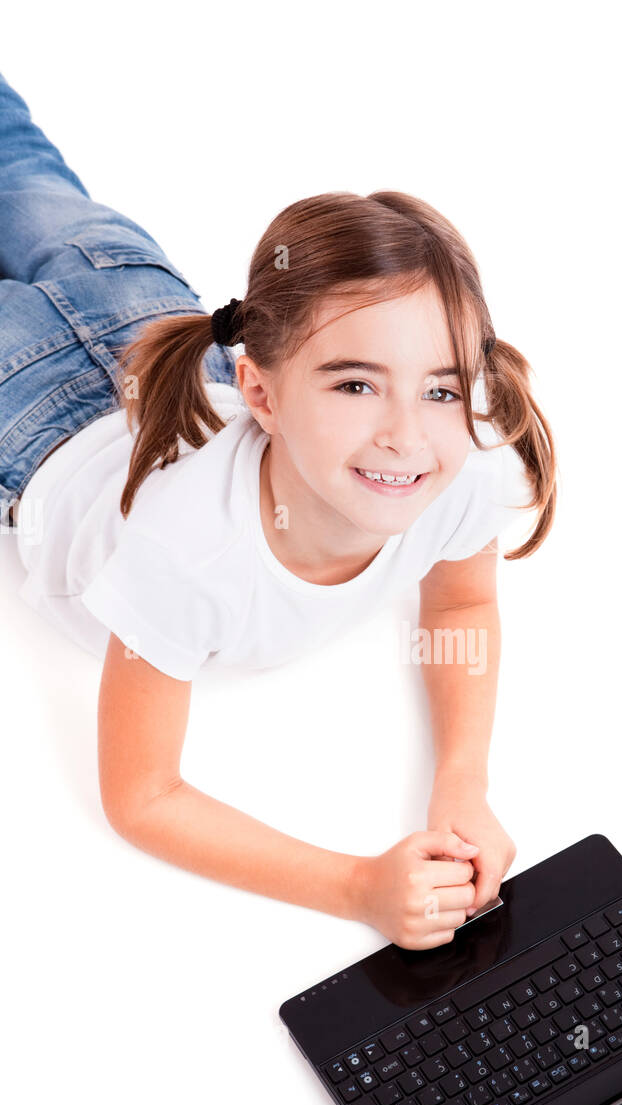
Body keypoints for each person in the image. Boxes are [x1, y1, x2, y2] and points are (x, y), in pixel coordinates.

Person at [0, 72, 557, 950]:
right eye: (356, 384)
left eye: (440, 388)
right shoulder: (186, 554)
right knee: (15, 162)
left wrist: (462, 781)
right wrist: (356, 887)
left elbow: (461, 604)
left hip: (140, 314)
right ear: (260, 390)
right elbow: (142, 796)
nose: (406, 436)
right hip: (30, 410)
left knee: (22, 172)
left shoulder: (460, 471)